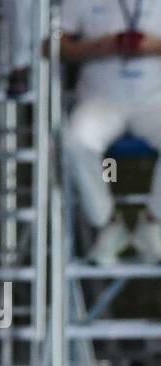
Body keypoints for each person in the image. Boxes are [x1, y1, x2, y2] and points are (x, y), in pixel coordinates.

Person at [59, 0, 161, 265]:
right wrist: (96, 47)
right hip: (100, 99)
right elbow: (53, 44)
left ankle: (154, 221)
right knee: (75, 141)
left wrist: (156, 46)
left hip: (155, 99)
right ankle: (108, 223)